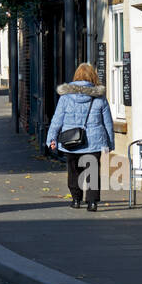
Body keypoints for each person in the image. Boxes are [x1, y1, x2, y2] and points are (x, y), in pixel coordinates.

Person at [45, 62, 114, 212]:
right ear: (93, 77)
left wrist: (52, 139)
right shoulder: (99, 98)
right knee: (92, 172)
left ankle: (76, 199)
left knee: (73, 171)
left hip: (71, 141)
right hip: (94, 141)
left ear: (76, 77)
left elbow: (57, 120)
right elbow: (107, 122)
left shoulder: (65, 98)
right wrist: (110, 143)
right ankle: (92, 203)